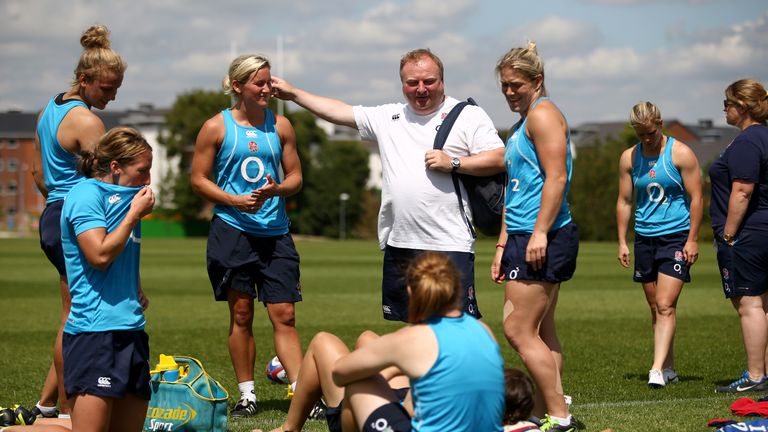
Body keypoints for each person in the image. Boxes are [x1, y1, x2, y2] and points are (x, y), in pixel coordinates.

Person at [271, 48, 505, 323]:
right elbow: (340, 112)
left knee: (457, 325)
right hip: (401, 242)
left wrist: (454, 162)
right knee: (412, 326)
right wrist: (294, 94)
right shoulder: (390, 116)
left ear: (442, 81)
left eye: (429, 81)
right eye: (412, 82)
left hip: (448, 242)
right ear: (402, 83)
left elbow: (500, 157)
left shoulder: (467, 115)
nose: (421, 89)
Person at [6, 127, 154, 432]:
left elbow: (123, 251)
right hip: (94, 335)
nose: (148, 179)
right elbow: (98, 256)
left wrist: (134, 286)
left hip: (132, 333)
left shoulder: (127, 198)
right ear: (115, 167)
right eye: (142, 171)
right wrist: (133, 216)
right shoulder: (85, 196)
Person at [190, 54, 304, 417]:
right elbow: (198, 179)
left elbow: (296, 177)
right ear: (237, 86)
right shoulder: (215, 127)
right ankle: (248, 395)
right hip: (232, 232)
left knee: (284, 314)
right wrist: (233, 199)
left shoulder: (281, 125)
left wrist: (278, 191)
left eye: (270, 82)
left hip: (276, 233)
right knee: (241, 315)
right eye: (260, 83)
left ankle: (301, 395)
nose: (267, 89)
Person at [29, 24, 126, 419]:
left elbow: (37, 174)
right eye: (106, 88)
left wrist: (58, 207)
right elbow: (110, 182)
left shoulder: (48, 110)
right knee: (77, 316)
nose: (113, 95)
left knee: (74, 310)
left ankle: (48, 404)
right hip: (80, 219)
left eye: (117, 88)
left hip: (54, 213)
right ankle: (69, 410)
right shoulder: (87, 123)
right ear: (84, 81)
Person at [490, 42, 582, 432]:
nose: (510, 92)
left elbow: (556, 178)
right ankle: (550, 411)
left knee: (517, 329)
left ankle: (559, 416)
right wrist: (501, 244)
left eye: (516, 85)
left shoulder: (543, 116)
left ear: (537, 81)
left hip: (541, 233)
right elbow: (517, 189)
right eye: (505, 86)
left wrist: (540, 232)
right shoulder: (521, 123)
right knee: (543, 330)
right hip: (523, 233)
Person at [616, 101, 703, 389]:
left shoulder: (680, 153)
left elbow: (697, 199)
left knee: (666, 304)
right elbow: (625, 200)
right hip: (644, 238)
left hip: (675, 237)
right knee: (656, 307)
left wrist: (692, 239)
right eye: (640, 134)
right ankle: (669, 368)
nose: (646, 139)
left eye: (650, 133)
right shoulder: (629, 158)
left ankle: (655, 370)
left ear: (660, 124)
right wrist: (622, 241)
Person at [710, 79, 768, 393]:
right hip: (762, 231)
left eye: (727, 103)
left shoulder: (748, 141)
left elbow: (743, 191)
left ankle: (755, 376)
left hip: (751, 234)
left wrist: (729, 234)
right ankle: (763, 372)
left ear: (742, 108)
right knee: (763, 305)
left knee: (750, 304)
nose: (724, 108)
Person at [251, 330, 411, 432]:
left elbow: (341, 374)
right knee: (367, 338)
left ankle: (289, 429)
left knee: (322, 342)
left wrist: (374, 376)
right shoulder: (428, 336)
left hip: (392, 422)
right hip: (404, 402)